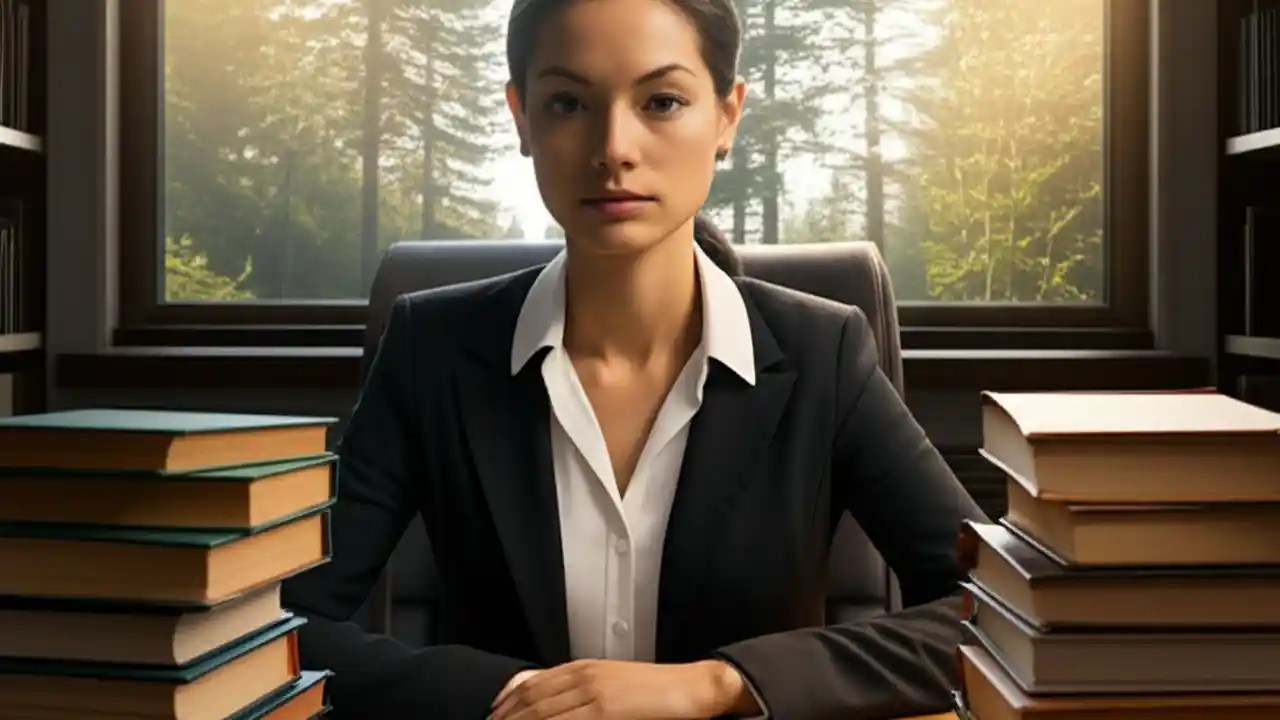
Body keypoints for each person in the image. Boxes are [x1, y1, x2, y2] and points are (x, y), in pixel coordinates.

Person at [281, 0, 987, 716]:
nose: (613, 146)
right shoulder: (432, 349)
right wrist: (513, 696)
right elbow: (284, 625)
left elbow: (992, 613)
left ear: (726, 115)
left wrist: (719, 682)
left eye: (662, 101)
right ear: (521, 116)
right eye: (566, 102)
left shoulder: (823, 353)